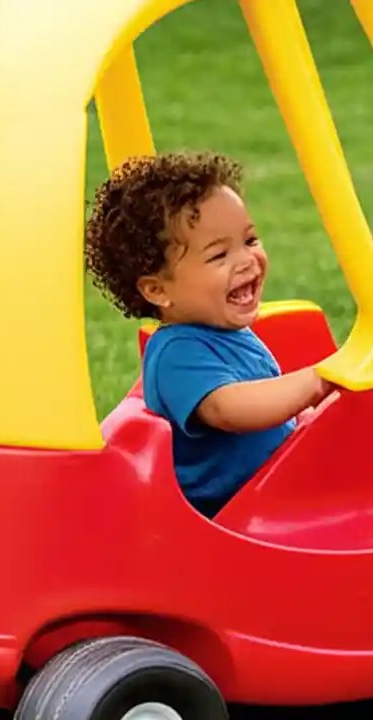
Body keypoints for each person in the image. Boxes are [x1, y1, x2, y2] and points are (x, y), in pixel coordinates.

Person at [84, 151, 334, 518]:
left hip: (266, 490)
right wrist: (313, 382)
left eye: (249, 240)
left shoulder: (225, 330)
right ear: (156, 290)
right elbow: (227, 409)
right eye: (219, 256)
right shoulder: (176, 353)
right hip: (225, 523)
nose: (247, 259)